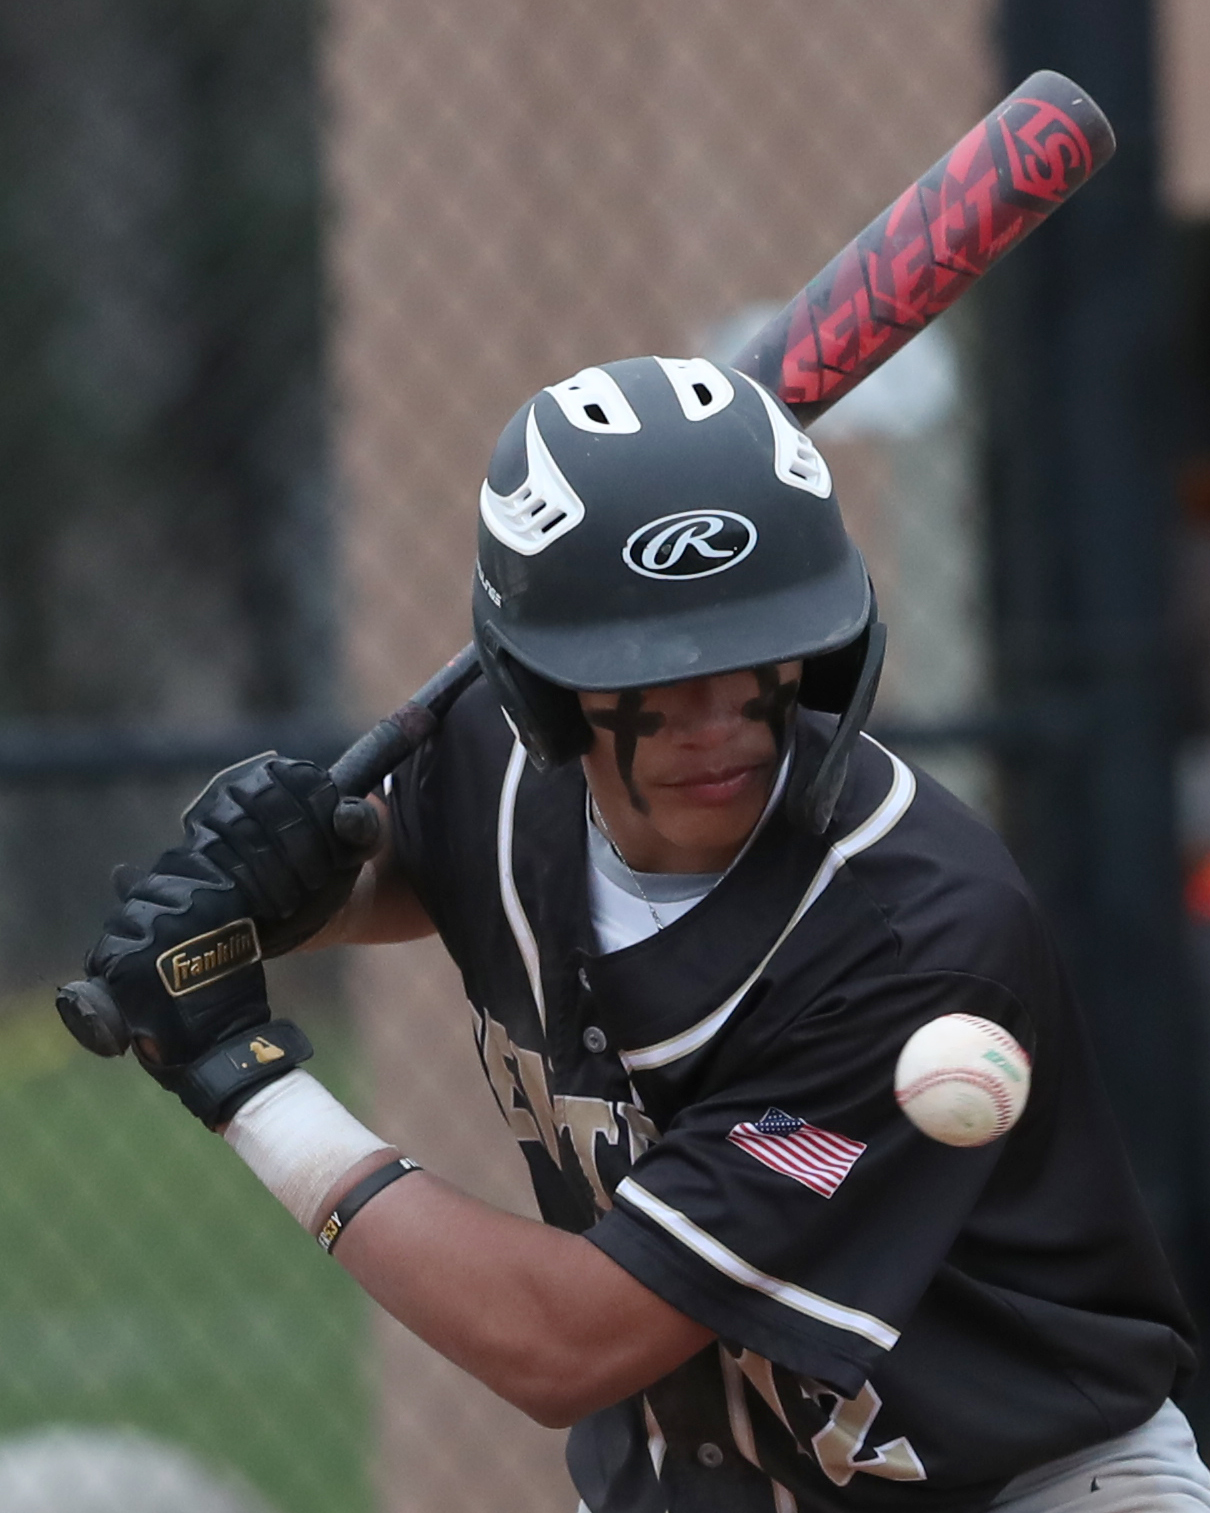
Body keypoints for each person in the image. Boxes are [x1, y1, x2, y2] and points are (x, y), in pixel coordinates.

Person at [81, 356, 1209, 1513]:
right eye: (655, 679)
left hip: (1018, 1486)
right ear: (541, 689)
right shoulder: (495, 764)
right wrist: (280, 887)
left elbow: (564, 1344)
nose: (719, 724)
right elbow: (415, 871)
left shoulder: (913, 939)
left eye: (756, 657)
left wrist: (246, 1080)